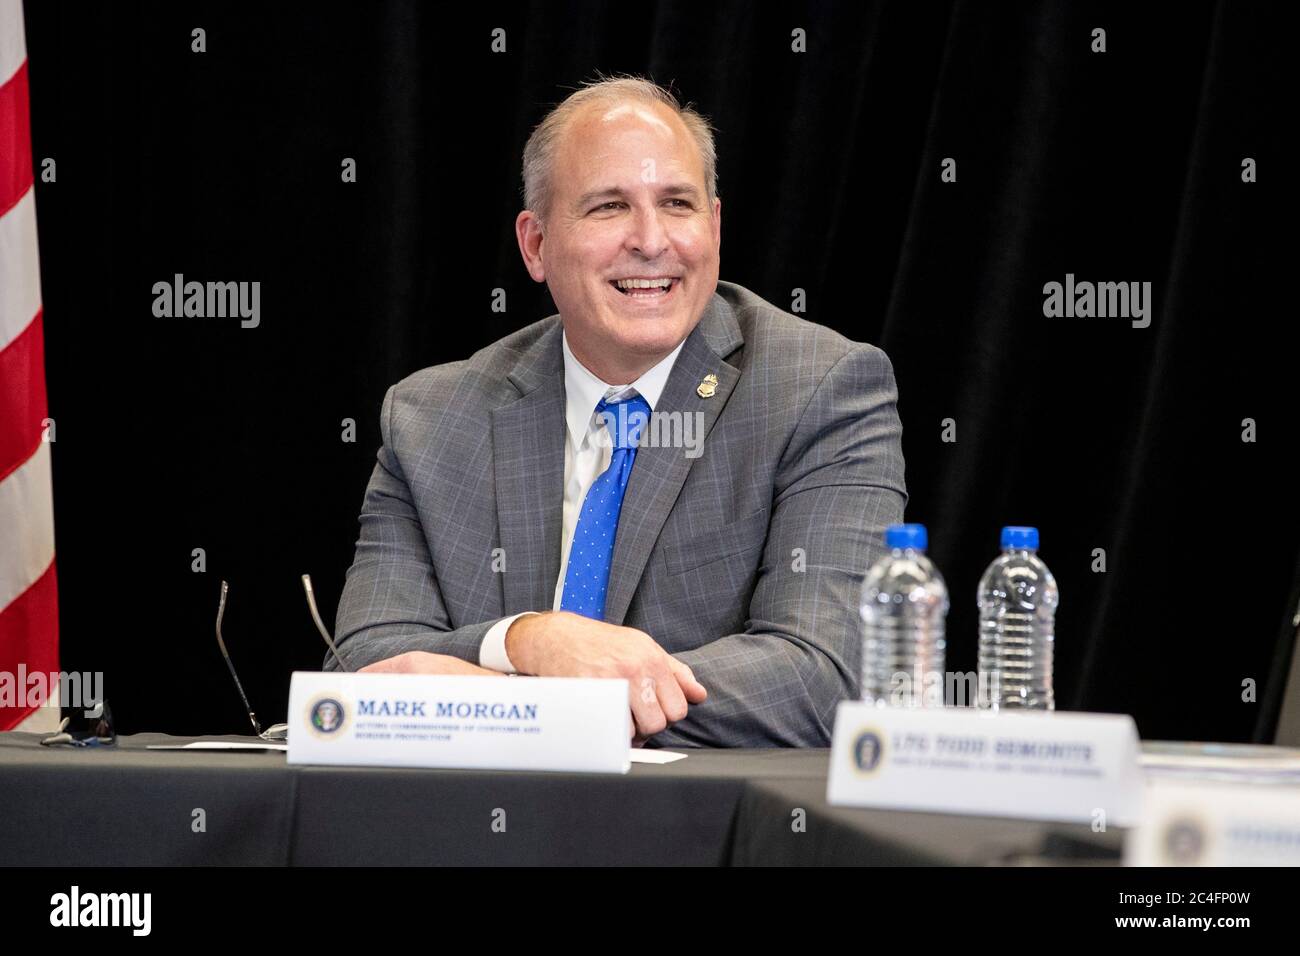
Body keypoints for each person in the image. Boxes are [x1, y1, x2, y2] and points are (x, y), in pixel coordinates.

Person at [327, 76, 907, 747]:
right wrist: (527, 640)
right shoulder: (432, 418)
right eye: (609, 207)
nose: (652, 240)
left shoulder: (821, 389)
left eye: (678, 204)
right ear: (535, 245)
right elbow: (363, 671)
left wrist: (536, 704)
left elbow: (821, 679)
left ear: (713, 227)